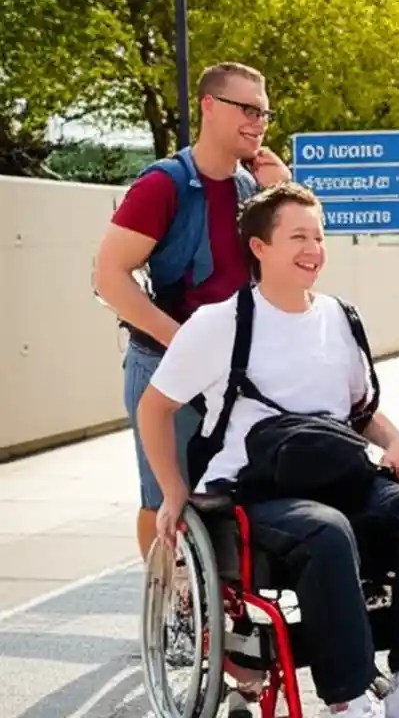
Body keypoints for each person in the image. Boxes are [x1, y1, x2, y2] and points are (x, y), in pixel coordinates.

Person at [135, 183, 399, 718]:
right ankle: (348, 699)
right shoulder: (219, 323)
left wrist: (393, 440)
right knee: (326, 530)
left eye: (319, 237)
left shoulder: (339, 317)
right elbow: (154, 407)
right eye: (298, 237)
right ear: (260, 247)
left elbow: (360, 411)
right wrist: (172, 490)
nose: (314, 249)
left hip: (337, 475)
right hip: (254, 490)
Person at [93, 62, 291, 562]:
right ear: (208, 106)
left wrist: (280, 194)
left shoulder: (251, 189)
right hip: (166, 366)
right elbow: (109, 276)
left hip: (234, 371)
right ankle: (170, 597)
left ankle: (217, 597)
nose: (259, 122)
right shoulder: (164, 185)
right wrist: (184, 343)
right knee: (163, 497)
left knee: (231, 491)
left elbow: (287, 271)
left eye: (264, 113)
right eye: (247, 109)